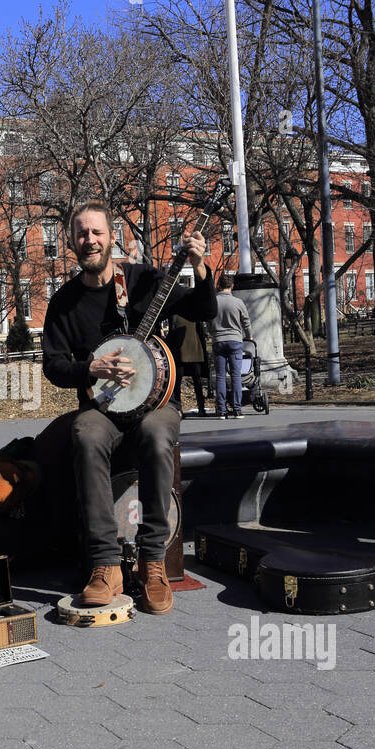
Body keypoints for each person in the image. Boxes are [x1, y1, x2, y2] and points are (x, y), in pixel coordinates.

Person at [42, 199, 216, 616]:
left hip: (157, 401)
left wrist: (202, 267)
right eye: (82, 233)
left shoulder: (142, 280)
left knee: (157, 437)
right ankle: (105, 565)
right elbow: (53, 366)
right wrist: (91, 368)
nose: (90, 240)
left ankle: (152, 560)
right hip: (103, 407)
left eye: (97, 232)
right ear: (71, 241)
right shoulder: (63, 303)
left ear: (111, 236)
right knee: (85, 434)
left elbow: (203, 310)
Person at [210, 274, 252, 419]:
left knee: (220, 376)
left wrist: (212, 332)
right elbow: (246, 321)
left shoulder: (213, 301)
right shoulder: (238, 302)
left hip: (218, 341)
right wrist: (249, 335)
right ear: (232, 286)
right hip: (235, 341)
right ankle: (237, 409)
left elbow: (207, 320)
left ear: (218, 285)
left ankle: (221, 410)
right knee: (236, 376)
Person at [167, 314, 210, 416]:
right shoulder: (195, 315)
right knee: (197, 382)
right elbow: (201, 333)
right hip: (195, 352)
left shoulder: (175, 315)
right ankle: (201, 409)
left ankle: (178, 409)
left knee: (177, 383)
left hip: (180, 352)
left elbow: (172, 332)